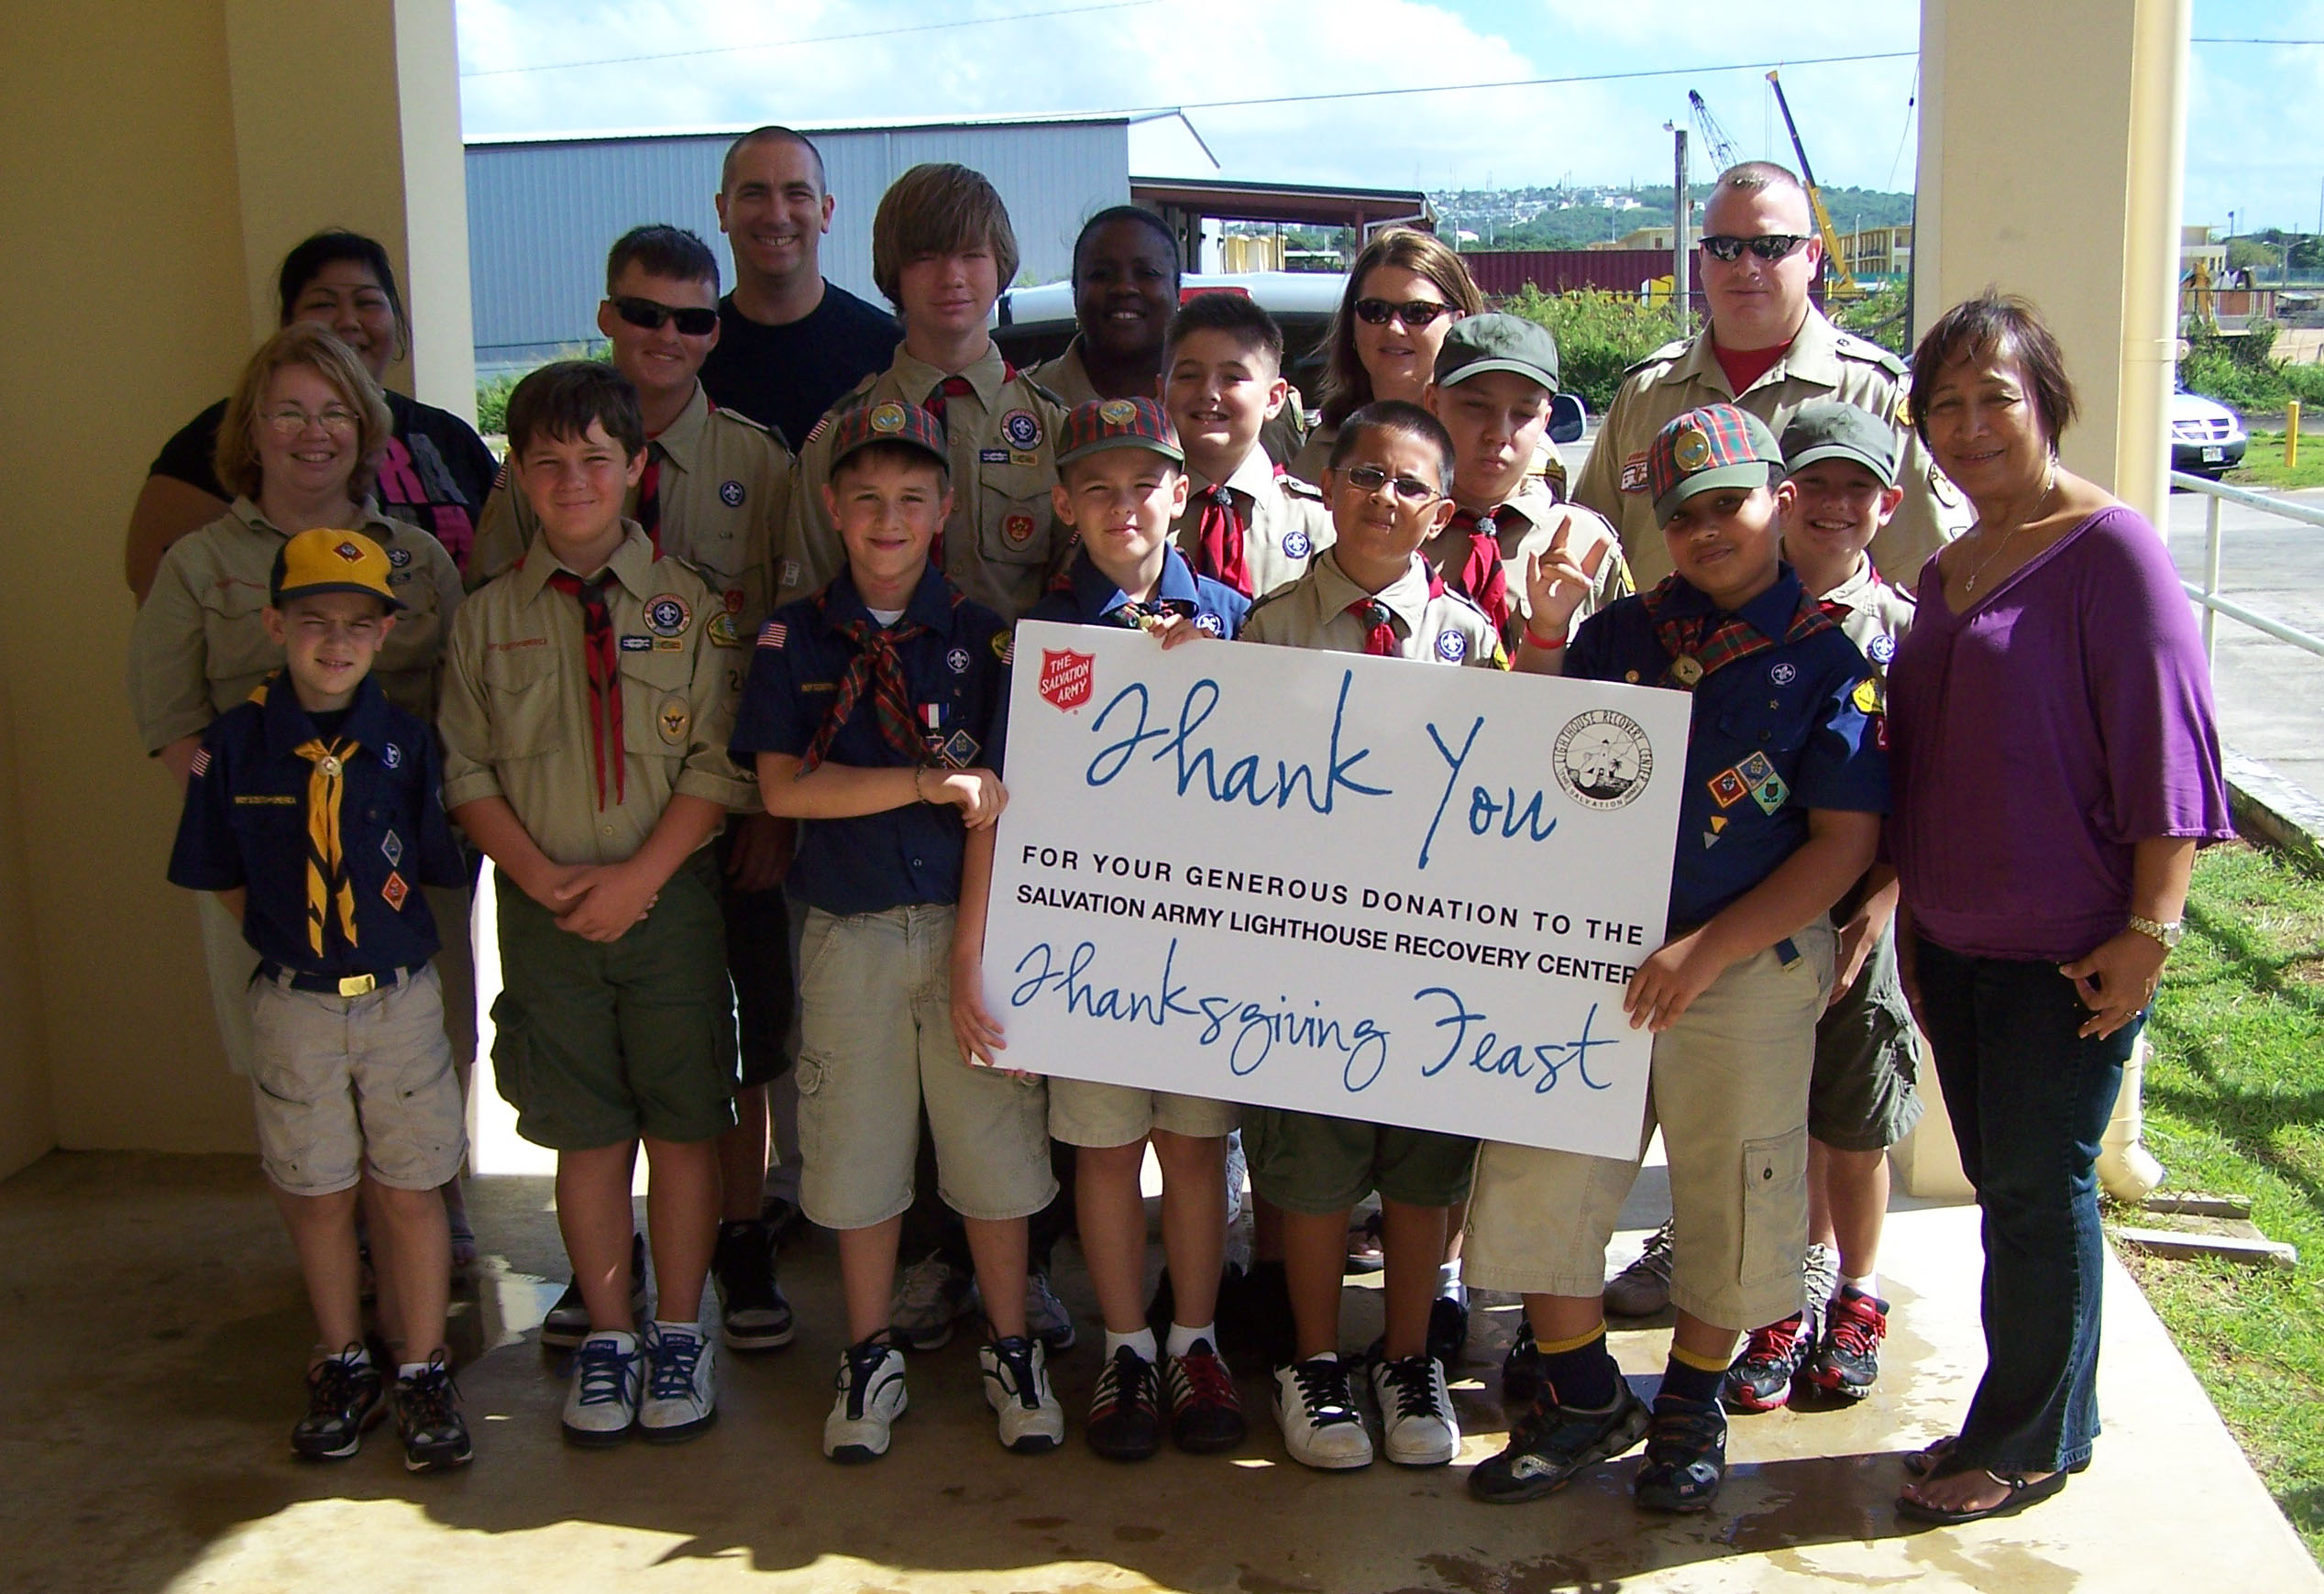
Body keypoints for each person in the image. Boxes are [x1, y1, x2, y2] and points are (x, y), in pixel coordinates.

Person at [1466, 402, 1886, 1516]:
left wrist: (1707, 950)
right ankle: (1587, 1387)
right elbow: (1521, 762)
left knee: (1735, 1188)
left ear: (1783, 502)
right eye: (1682, 513)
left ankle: (1693, 1404)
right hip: (1590, 954)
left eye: (1728, 506)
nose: (1705, 531)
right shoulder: (1623, 634)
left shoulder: (1833, 658)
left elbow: (1844, 842)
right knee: (1542, 1160)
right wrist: (1547, 625)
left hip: (1739, 965)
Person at [1888, 293, 2231, 1524]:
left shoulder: (2108, 548)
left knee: (2041, 1192)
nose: (1969, 423)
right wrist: (1904, 919)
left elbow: (2167, 755)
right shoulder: (1944, 566)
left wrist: (2148, 928)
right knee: (2009, 1187)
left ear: (2043, 398)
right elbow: (1921, 757)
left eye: (1995, 395)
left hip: (2067, 956)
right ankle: (2019, 1409)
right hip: (1953, 946)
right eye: (1944, 404)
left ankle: (2030, 1441)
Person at [468, 225, 799, 1359]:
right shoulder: (502, 573)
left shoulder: (743, 490)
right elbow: (478, 737)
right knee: (591, 1116)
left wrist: (718, 835)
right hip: (556, 879)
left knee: (707, 1082)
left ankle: (702, 1290)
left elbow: (754, 686)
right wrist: (545, 873)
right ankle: (612, 1305)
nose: (667, 334)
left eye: (690, 318)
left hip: (697, 850)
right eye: (643, 312)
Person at [730, 398, 1062, 1462]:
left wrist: (974, 946)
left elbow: (1003, 803)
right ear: (830, 504)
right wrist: (922, 782)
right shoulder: (793, 634)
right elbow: (783, 789)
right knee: (855, 1150)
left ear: (946, 506)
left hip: (968, 927)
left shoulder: (984, 637)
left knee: (993, 1145)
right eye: (865, 495)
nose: (888, 517)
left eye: (912, 497)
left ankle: (1011, 1342)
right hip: (849, 931)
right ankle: (866, 1346)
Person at [437, 361, 754, 1446]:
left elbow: (718, 765)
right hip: (546, 910)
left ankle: (678, 1327)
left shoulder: (696, 605)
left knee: (682, 1119)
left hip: (667, 906)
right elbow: (467, 769)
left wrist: (639, 878)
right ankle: (610, 1332)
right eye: (548, 462)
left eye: (595, 460)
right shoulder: (484, 622)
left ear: (635, 468)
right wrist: (537, 877)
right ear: (518, 477)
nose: (573, 480)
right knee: (585, 1128)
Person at [953, 397, 1250, 1461]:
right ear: (1063, 501)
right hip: (1087, 947)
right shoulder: (1035, 638)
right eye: (1100, 488)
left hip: (1207, 942)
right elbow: (997, 801)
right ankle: (1127, 1345)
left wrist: (1219, 669)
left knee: (1197, 1140)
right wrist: (979, 952)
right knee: (1107, 1144)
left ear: (1182, 491)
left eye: (1145, 484)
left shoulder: (1230, 613)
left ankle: (1195, 1338)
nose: (1124, 506)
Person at [166, 527, 472, 1473]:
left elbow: (434, 867)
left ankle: (421, 1361)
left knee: (411, 1183)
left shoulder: (408, 746)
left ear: (385, 633)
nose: (334, 641)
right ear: (274, 623)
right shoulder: (236, 747)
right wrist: (291, 937)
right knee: (317, 1187)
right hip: (294, 999)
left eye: (357, 623)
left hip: (397, 999)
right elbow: (221, 872)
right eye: (312, 621)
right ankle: (343, 1356)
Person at [1239, 401, 1501, 1472]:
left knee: (1424, 1161)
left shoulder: (1471, 640)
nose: (1381, 498)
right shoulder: (1269, 625)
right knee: (1312, 1159)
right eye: (1362, 475)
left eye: (1407, 485)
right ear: (1325, 487)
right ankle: (1312, 1358)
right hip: (1309, 948)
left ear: (1439, 512)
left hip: (1430, 951)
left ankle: (1403, 1356)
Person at [130, 324, 463, 1089]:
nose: (313, 434)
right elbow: (172, 721)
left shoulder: (419, 561)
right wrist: (260, 830)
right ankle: (322, 1213)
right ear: (252, 427)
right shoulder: (198, 564)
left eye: (335, 412)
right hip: (265, 859)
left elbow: (463, 712)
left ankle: (441, 1210)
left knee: (425, 1062)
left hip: (402, 858)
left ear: (365, 426)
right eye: (288, 412)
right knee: (292, 1079)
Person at [1717, 399, 1923, 1413]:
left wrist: (1877, 905)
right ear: (1779, 496)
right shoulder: (1738, 617)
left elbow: (1930, 794)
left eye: (1859, 487)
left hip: (1857, 917)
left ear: (1887, 503)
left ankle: (1857, 1291)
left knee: (1853, 1113)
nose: (1836, 505)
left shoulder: (1908, 635)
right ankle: (1780, 1298)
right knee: (1769, 1115)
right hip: (1754, 908)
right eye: (1815, 484)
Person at [1570, 162, 1960, 595]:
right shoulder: (1645, 392)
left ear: (1812, 256)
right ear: (1701, 259)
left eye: (1770, 246)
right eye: (1724, 247)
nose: (1745, 266)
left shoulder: (1875, 393)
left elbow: (1921, 578)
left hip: (1817, 659)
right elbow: (1586, 560)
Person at [127, 229, 498, 596]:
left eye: (368, 302)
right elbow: (155, 581)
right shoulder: (223, 432)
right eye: (323, 304)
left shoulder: (449, 435)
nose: (348, 321)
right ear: (288, 324)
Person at [781, 161, 1071, 621]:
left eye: (972, 254)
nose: (951, 276)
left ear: (1002, 264)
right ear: (893, 271)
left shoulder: (1056, 430)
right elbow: (806, 616)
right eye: (926, 257)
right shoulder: (842, 433)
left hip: (1014, 686)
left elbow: (1079, 602)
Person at [1421, 313, 1631, 655]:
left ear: (1545, 420)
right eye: (1476, 407)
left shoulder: (1586, 543)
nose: (1498, 434)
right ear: (1433, 404)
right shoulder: (1394, 528)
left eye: (1523, 414)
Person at [1031, 207, 1305, 467]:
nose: (1124, 288)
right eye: (1100, 274)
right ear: (1075, 290)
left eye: (1147, 273)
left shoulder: (1257, 412)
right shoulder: (1023, 405)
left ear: (1176, 291)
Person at [699, 126, 903, 449]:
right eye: (754, 194)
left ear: (825, 212)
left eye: (797, 194)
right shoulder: (692, 354)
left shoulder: (890, 353)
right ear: (723, 211)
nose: (777, 215)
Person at [1162, 293, 1333, 600]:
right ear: (1160, 391)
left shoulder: (1321, 522)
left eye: (1233, 377)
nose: (1209, 392)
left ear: (1274, 399)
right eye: (1189, 376)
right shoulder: (1138, 515)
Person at [1290, 228, 1484, 486]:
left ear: (1457, 323)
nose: (1394, 327)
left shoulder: (1493, 442)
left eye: (1418, 312)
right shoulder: (1325, 446)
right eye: (1375, 310)